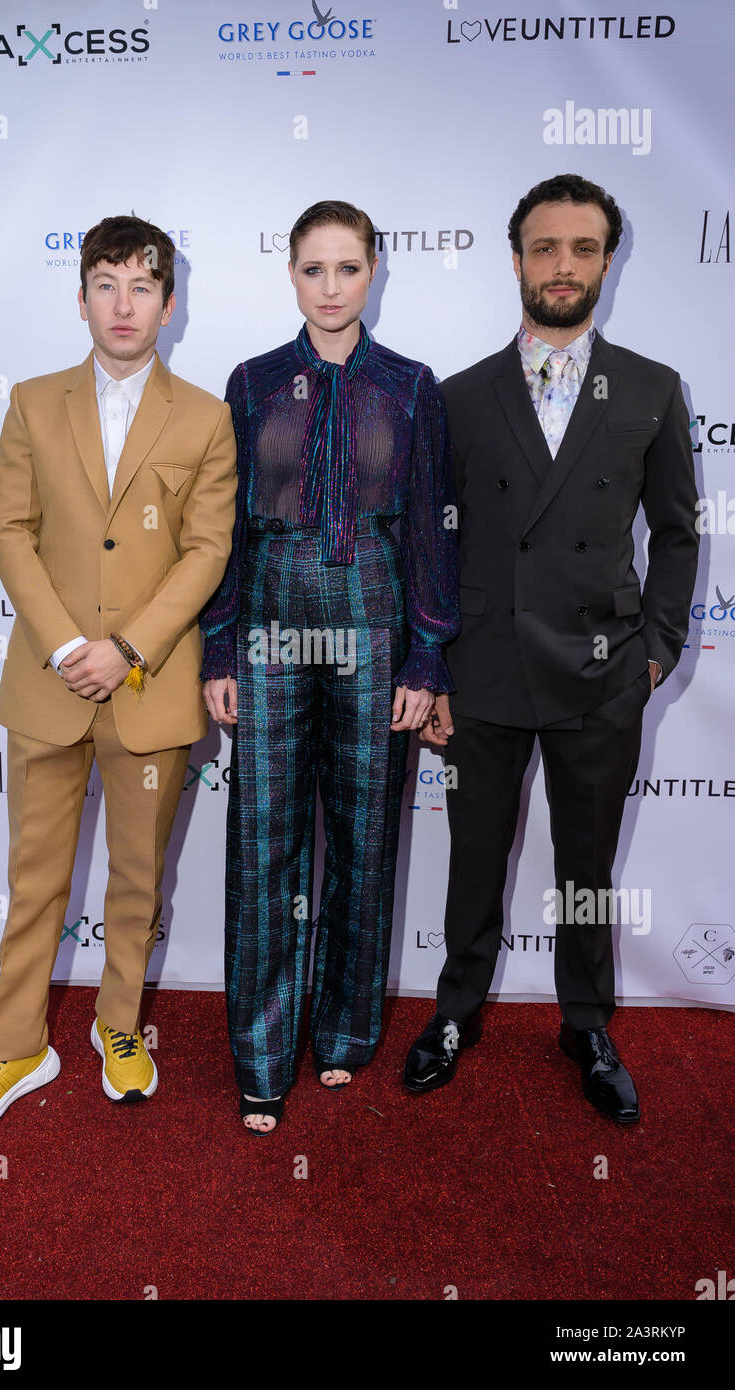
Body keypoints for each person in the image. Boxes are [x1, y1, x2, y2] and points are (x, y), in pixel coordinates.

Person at [404, 174, 699, 1124]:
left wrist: (652, 649)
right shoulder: (456, 397)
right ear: (518, 260)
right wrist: (434, 664)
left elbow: (678, 535)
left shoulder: (652, 388)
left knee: (584, 868)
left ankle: (585, 1022)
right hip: (482, 672)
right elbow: (432, 544)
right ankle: (455, 1011)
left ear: (606, 262)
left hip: (600, 672)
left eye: (580, 249)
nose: (561, 267)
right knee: (473, 861)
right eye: (543, 248)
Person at [0, 215, 237, 1132]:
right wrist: (71, 646)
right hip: (47, 684)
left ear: (169, 304)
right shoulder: (32, 401)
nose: (123, 303)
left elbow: (206, 549)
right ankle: (17, 1044)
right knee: (34, 882)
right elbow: (9, 531)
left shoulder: (208, 417)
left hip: (149, 689)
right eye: (105, 283)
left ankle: (121, 1027)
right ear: (80, 297)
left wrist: (128, 650)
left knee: (138, 880)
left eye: (142, 286)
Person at [201, 199, 459, 1134]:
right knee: (262, 841)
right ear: (291, 275)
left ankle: (346, 1035)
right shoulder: (253, 380)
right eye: (314, 270)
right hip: (268, 616)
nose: (332, 288)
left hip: (374, 617)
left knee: (362, 839)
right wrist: (220, 641)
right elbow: (222, 528)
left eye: (348, 269)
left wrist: (426, 656)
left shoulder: (410, 384)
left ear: (375, 272)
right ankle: (262, 1057)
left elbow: (431, 524)